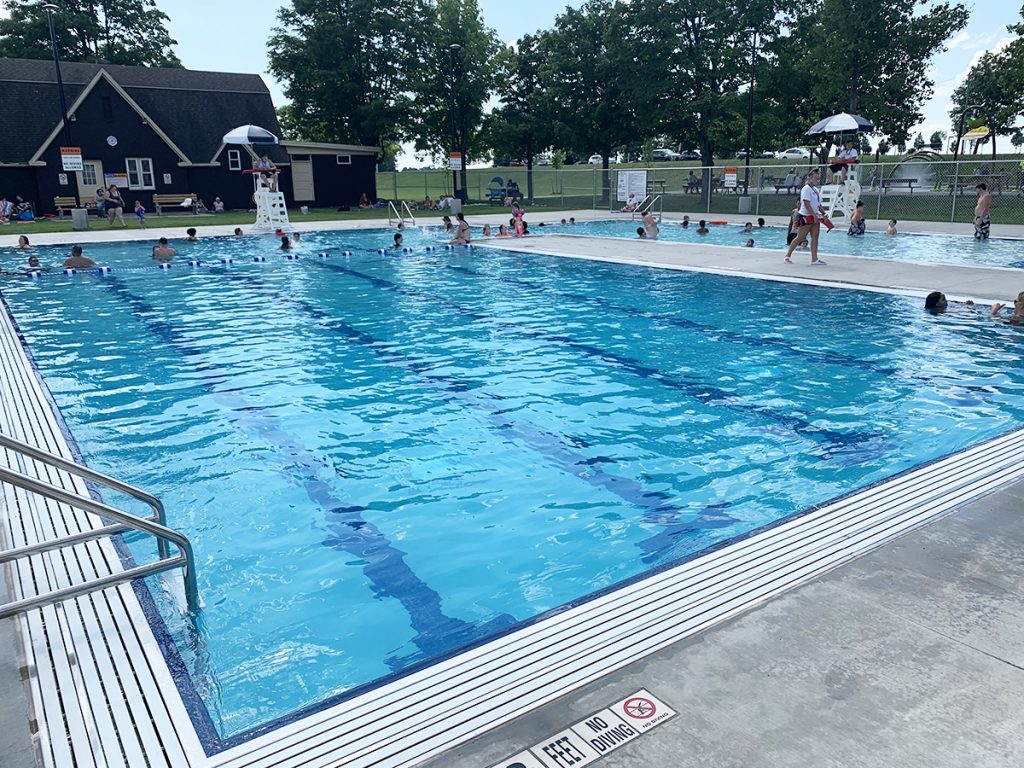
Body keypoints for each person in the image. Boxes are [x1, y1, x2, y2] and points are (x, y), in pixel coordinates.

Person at [783, 168, 825, 264]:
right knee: (800, 237)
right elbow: (806, 203)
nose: (816, 180)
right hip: (806, 216)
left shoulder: (815, 189)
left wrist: (824, 214)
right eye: (814, 178)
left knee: (815, 237)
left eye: (817, 178)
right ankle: (787, 256)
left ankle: (814, 259)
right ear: (809, 177)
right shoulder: (806, 189)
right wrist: (813, 215)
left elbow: (818, 204)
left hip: (815, 216)